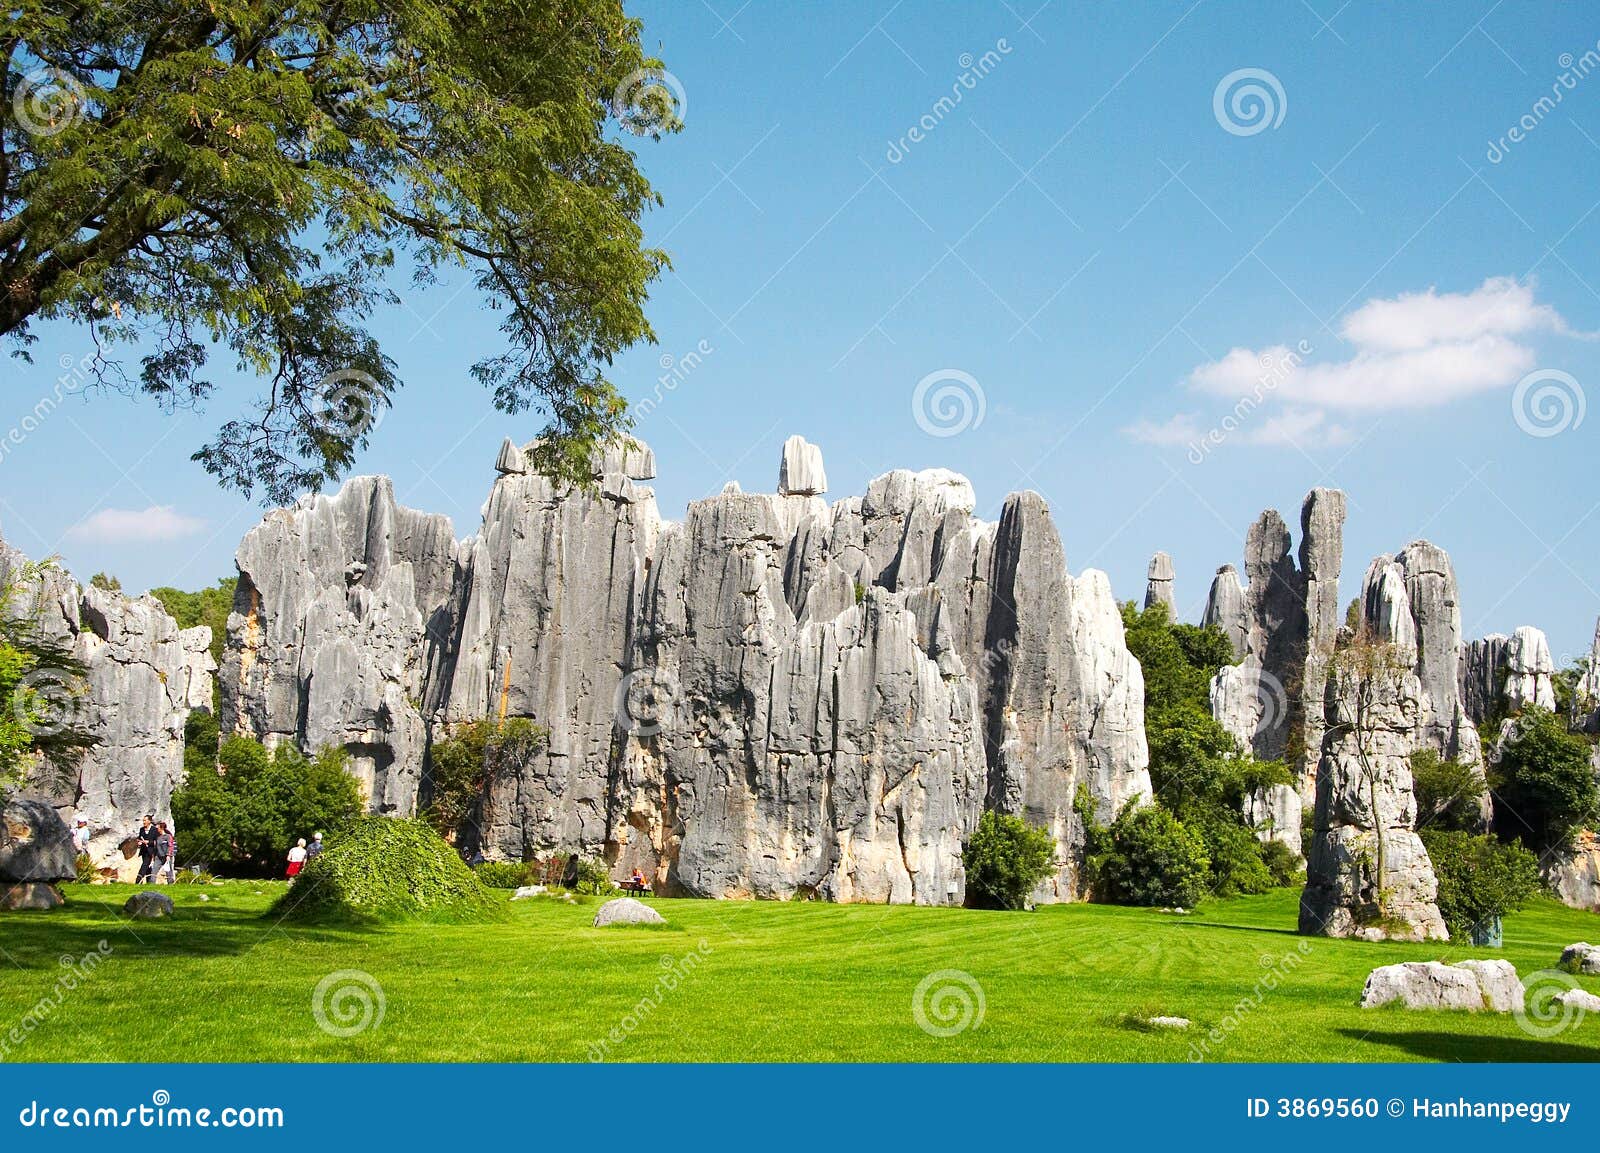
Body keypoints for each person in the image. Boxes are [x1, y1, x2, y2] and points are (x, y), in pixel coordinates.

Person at [135, 815, 157, 884]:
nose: (143, 822)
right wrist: (139, 842)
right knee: (147, 867)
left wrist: (148, 842)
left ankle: (138, 881)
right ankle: (149, 882)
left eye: (145, 820)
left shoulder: (154, 830)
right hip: (144, 851)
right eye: (143, 820)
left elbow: (156, 841)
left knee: (144, 865)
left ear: (149, 821)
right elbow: (139, 838)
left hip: (151, 851)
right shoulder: (142, 829)